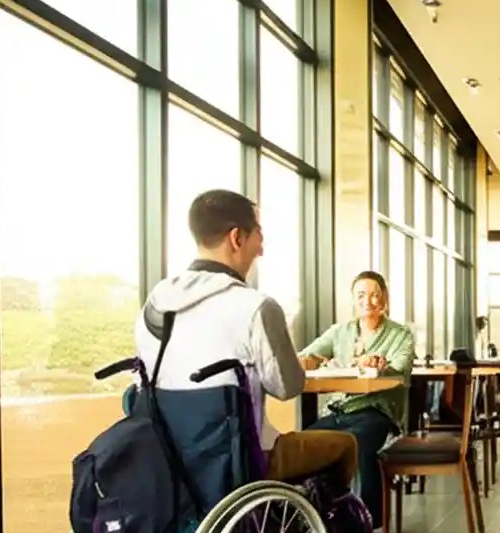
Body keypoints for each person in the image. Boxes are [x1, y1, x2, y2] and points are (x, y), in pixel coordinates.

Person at [135, 189, 357, 489]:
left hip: (168, 461)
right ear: (236, 238)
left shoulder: (154, 306)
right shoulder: (255, 307)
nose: (261, 249)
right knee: (344, 445)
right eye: (259, 235)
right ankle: (314, 518)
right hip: (241, 460)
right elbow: (288, 387)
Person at [299, 271, 415, 521]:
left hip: (376, 412)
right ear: (353, 299)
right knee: (303, 444)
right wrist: (305, 362)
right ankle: (317, 517)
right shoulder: (340, 331)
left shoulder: (400, 334)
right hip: (338, 411)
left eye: (374, 295)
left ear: (384, 298)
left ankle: (370, 522)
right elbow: (308, 356)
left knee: (358, 444)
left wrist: (380, 365)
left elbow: (401, 368)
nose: (367, 301)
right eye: (361, 295)